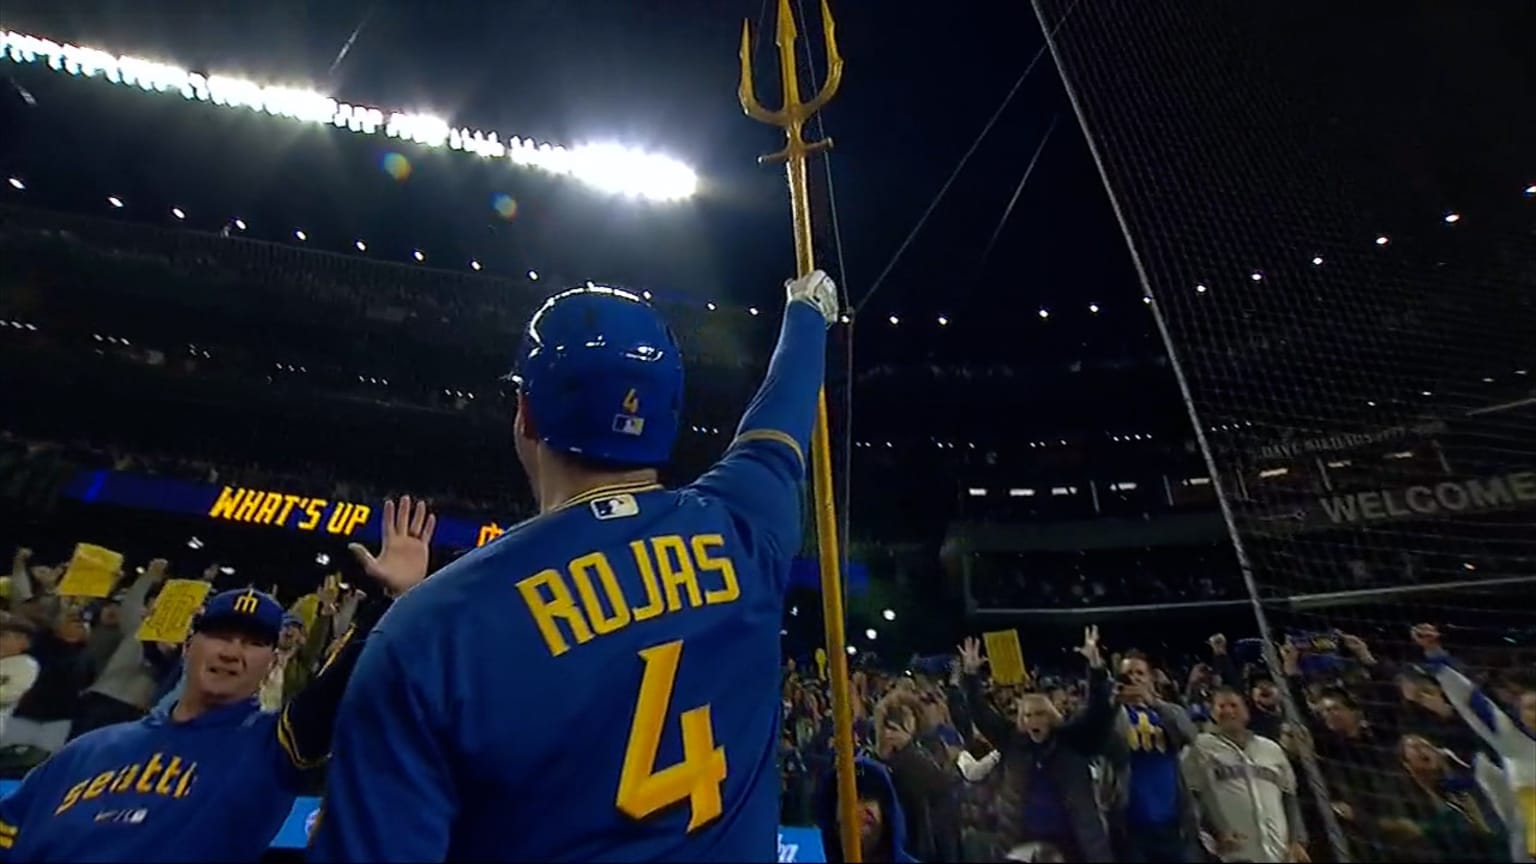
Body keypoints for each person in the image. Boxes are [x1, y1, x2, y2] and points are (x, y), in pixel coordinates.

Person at [309, 273, 840, 862]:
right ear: (669, 415)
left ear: (526, 414)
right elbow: (781, 416)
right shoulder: (745, 522)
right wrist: (807, 315)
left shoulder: (429, 630)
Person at [0, 498, 432, 862]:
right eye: (220, 635)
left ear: (272, 660)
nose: (231, 651)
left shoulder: (273, 746)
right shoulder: (84, 752)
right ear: (189, 645)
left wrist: (393, 601)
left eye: (252, 643)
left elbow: (345, 683)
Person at [957, 627, 1115, 863]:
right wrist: (970, 676)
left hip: (1072, 844)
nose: (1033, 720)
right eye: (1027, 715)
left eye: (1040, 713)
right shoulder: (1012, 741)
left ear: (1051, 716)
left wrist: (1095, 669)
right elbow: (981, 713)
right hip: (1022, 843)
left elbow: (1097, 712)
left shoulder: (1073, 740)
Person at [1183, 687, 1309, 863]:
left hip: (1279, 852)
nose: (1228, 711)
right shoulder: (1199, 747)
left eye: (1234, 705)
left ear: (1246, 712)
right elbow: (1193, 796)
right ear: (1212, 712)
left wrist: (1297, 840)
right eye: (1221, 706)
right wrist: (1215, 832)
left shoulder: (1271, 748)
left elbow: (1289, 796)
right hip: (1232, 853)